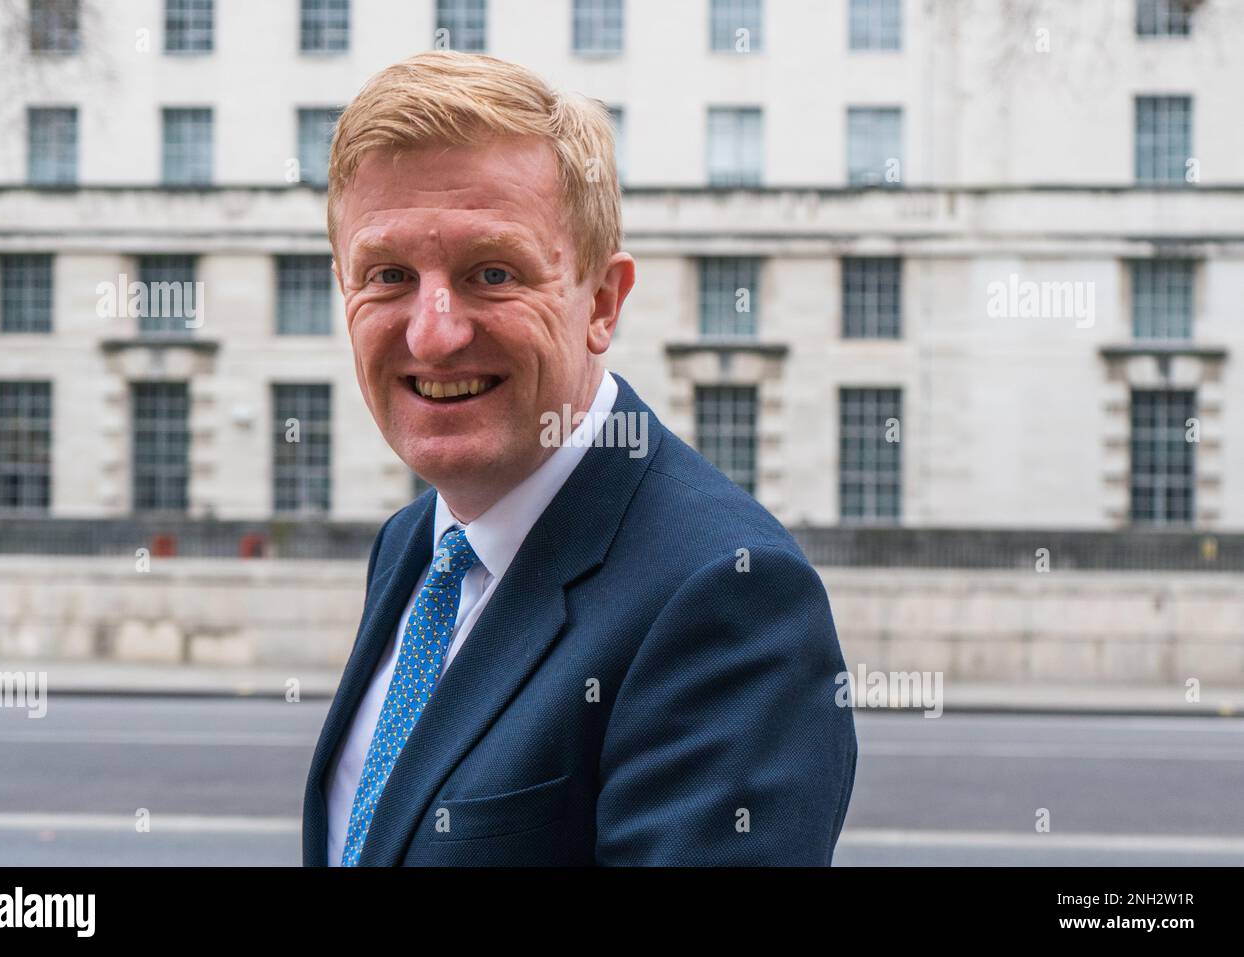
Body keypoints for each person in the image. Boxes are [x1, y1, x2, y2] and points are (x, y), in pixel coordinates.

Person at [302, 50, 856, 866]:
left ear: (601, 303)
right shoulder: (414, 542)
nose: (433, 332)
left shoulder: (731, 596)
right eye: (387, 275)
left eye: (492, 272)